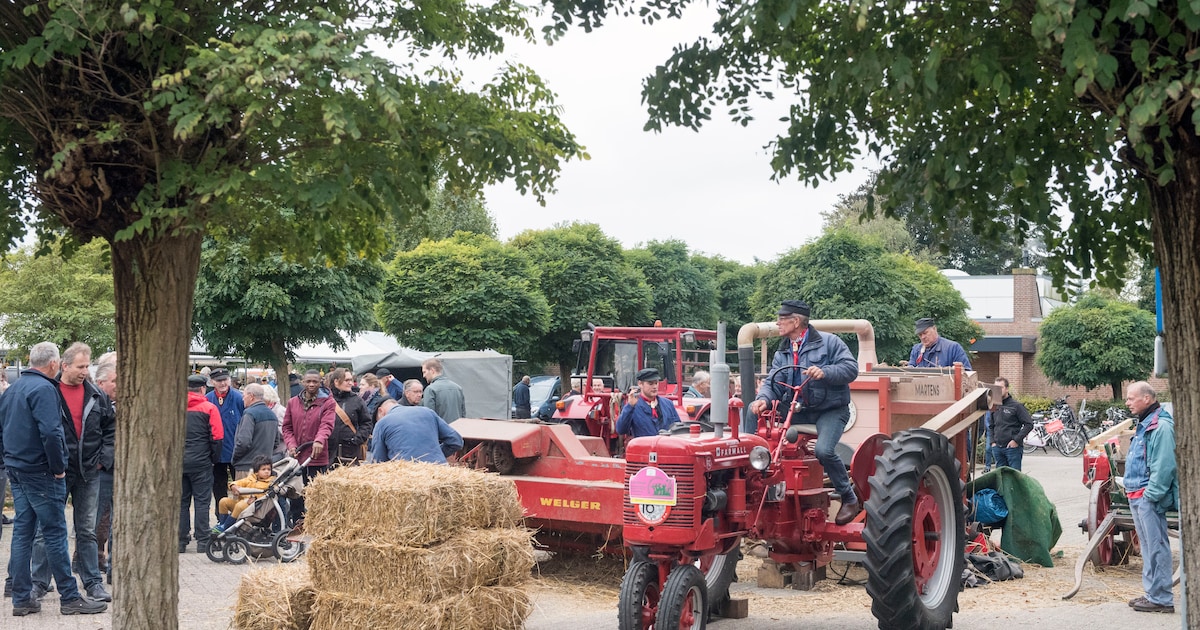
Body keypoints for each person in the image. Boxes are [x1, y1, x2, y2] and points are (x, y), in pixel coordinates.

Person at [1, 342, 107, 616]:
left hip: (18, 470)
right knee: (55, 533)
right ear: (53, 364)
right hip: (42, 472)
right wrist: (58, 467)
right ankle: (70, 598)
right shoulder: (45, 389)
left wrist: (9, 461)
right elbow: (51, 432)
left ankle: (20, 597)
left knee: (23, 532)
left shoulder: (13, 389)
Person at [749, 300, 861, 525]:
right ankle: (754, 484)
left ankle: (849, 497)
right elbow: (773, 382)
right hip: (798, 409)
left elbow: (851, 369)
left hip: (830, 410)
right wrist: (763, 399)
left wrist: (825, 371)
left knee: (823, 451)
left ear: (796, 321)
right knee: (755, 420)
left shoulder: (830, 342)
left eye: (782, 319)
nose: (778, 323)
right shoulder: (783, 351)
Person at [29, 342, 114, 604]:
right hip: (55, 472)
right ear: (64, 366)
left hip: (89, 472)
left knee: (87, 530)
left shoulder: (96, 395)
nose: (85, 371)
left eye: (87, 366)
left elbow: (111, 429)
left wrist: (103, 460)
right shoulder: (48, 391)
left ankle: (92, 582)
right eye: (80, 366)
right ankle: (39, 582)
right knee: (45, 529)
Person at [1123, 381, 1178, 614]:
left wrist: (1150, 495)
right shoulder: (1147, 423)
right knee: (1148, 548)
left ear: (1146, 399)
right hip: (1137, 494)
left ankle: (1162, 599)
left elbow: (1164, 466)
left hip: (1147, 496)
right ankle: (1152, 594)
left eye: (1131, 398)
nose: (1127, 402)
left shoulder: (1161, 427)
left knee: (1156, 547)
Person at [281, 370, 335, 524]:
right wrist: (291, 445)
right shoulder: (293, 402)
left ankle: (316, 526)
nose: (311, 384)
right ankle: (297, 526)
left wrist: (319, 440)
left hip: (316, 458)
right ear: (303, 382)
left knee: (316, 498)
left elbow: (327, 424)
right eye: (308, 381)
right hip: (297, 458)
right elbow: (287, 428)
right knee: (297, 497)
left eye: (315, 381)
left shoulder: (328, 402)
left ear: (320, 382)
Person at [181, 374, 223, 554]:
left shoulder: (175, 408)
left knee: (181, 502)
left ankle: (180, 541)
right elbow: (217, 437)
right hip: (201, 462)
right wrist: (213, 459)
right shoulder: (209, 408)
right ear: (203, 389)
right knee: (202, 502)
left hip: (179, 463)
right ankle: (203, 540)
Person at [370, 399, 463, 464]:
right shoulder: (427, 412)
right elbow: (456, 441)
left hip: (405, 475)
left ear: (381, 411)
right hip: (438, 469)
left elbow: (378, 462)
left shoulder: (382, 423)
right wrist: (434, 455)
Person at [91, 356, 117, 585]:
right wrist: (99, 462)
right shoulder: (94, 403)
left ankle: (114, 570)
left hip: (121, 470)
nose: (119, 385)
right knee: (94, 519)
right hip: (102, 471)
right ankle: (88, 568)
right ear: (101, 382)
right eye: (114, 381)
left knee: (118, 522)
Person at [206, 367, 244, 518]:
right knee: (218, 487)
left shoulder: (239, 398)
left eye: (225, 380)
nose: (222, 383)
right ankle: (221, 518)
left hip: (236, 451)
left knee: (240, 487)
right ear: (212, 382)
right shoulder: (208, 399)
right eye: (219, 381)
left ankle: (240, 517)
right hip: (217, 451)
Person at [212, 455, 275, 533]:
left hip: (254, 507)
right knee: (223, 501)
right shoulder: (251, 478)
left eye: (269, 469)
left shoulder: (270, 483)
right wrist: (233, 486)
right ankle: (222, 524)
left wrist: (255, 497)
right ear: (256, 472)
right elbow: (240, 482)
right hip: (241, 504)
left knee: (240, 505)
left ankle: (226, 527)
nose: (267, 471)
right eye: (263, 469)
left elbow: (265, 494)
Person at [231, 383, 283, 478]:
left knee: (243, 488)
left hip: (246, 467)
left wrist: (235, 458)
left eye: (244, 396)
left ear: (251, 396)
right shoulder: (272, 415)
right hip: (265, 468)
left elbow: (244, 442)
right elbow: (276, 442)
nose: (243, 399)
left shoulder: (249, 414)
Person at [616, 368, 682, 438]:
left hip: (666, 444)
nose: (655, 387)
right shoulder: (632, 407)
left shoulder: (668, 404)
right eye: (650, 384)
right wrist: (630, 406)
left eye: (656, 383)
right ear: (640, 384)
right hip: (644, 444)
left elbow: (678, 428)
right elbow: (621, 430)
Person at [328, 368, 372, 467]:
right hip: (328, 453)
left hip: (350, 453)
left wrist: (356, 440)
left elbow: (367, 423)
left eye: (351, 380)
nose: (351, 383)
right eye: (347, 380)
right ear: (336, 381)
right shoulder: (326, 400)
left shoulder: (357, 401)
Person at [989, 377, 1034, 471]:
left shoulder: (1016, 406)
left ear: (1007, 389)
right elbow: (991, 426)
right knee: (1001, 476)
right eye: (996, 388)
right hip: (998, 448)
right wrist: (993, 442)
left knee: (1014, 476)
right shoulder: (994, 406)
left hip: (1012, 449)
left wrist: (1016, 440)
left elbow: (1029, 424)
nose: (998, 390)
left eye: (1001, 387)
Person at [908, 318, 973, 370]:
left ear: (934, 329)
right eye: (920, 335)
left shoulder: (953, 348)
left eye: (925, 333)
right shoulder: (916, 350)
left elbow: (967, 373)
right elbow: (909, 370)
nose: (923, 337)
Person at [422, 358, 466, 423]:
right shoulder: (458, 388)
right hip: (457, 428)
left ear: (432, 370)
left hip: (441, 429)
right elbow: (463, 413)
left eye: (424, 372)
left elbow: (429, 417)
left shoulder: (430, 389)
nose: (423, 376)